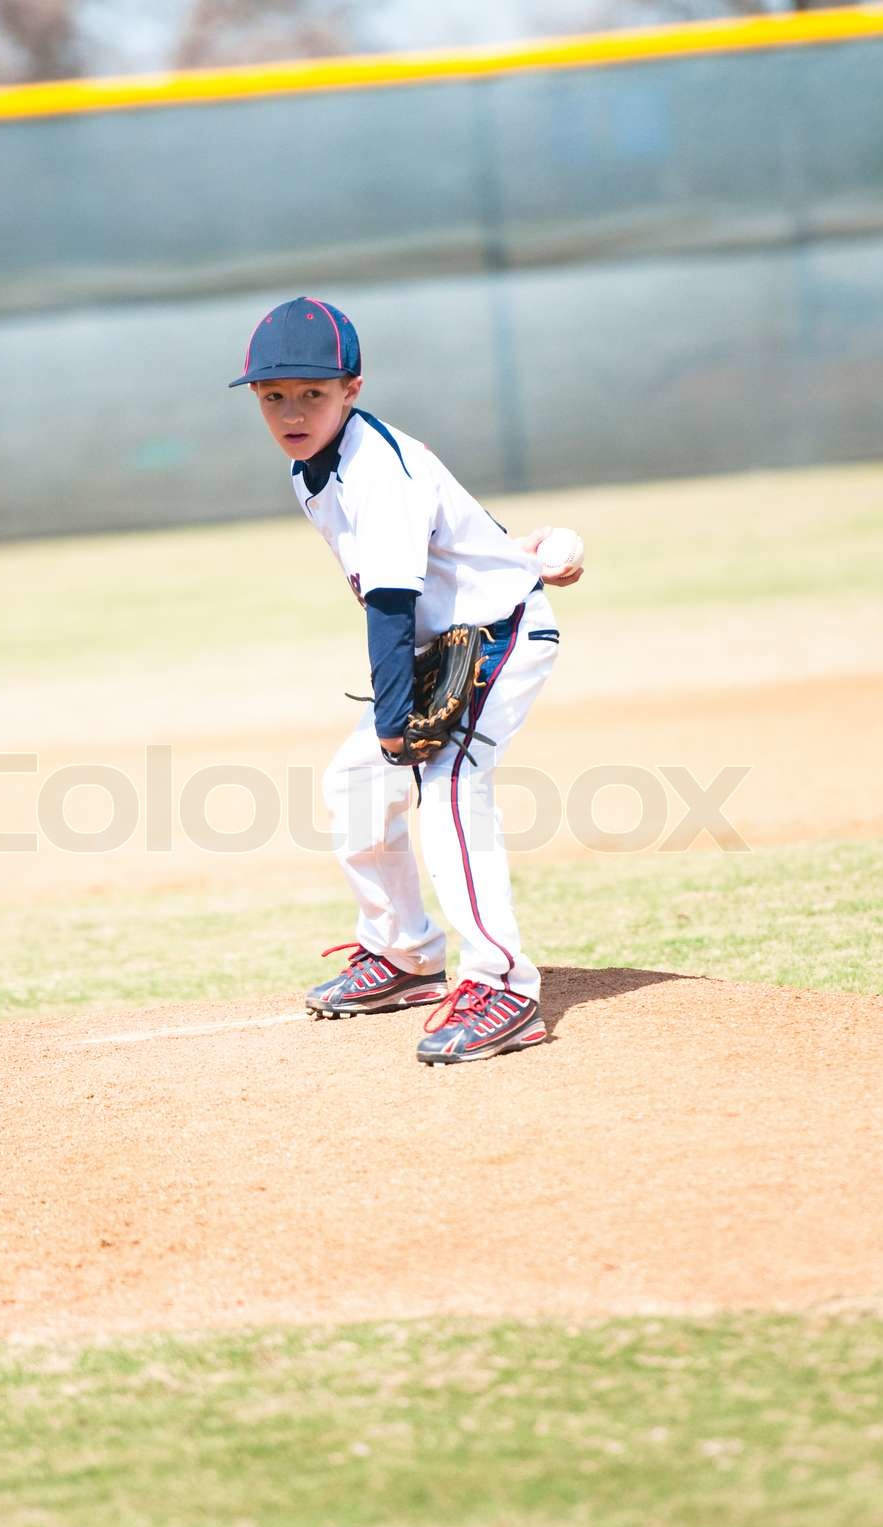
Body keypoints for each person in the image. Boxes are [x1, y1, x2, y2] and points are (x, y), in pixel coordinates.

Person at [230, 296, 583, 1063]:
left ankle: (503, 987)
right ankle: (405, 954)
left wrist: (394, 716)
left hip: (500, 640)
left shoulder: (373, 471)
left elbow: (389, 602)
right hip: (443, 643)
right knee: (356, 784)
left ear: (351, 388)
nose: (292, 411)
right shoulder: (311, 465)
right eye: (273, 396)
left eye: (312, 394)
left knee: (450, 787)